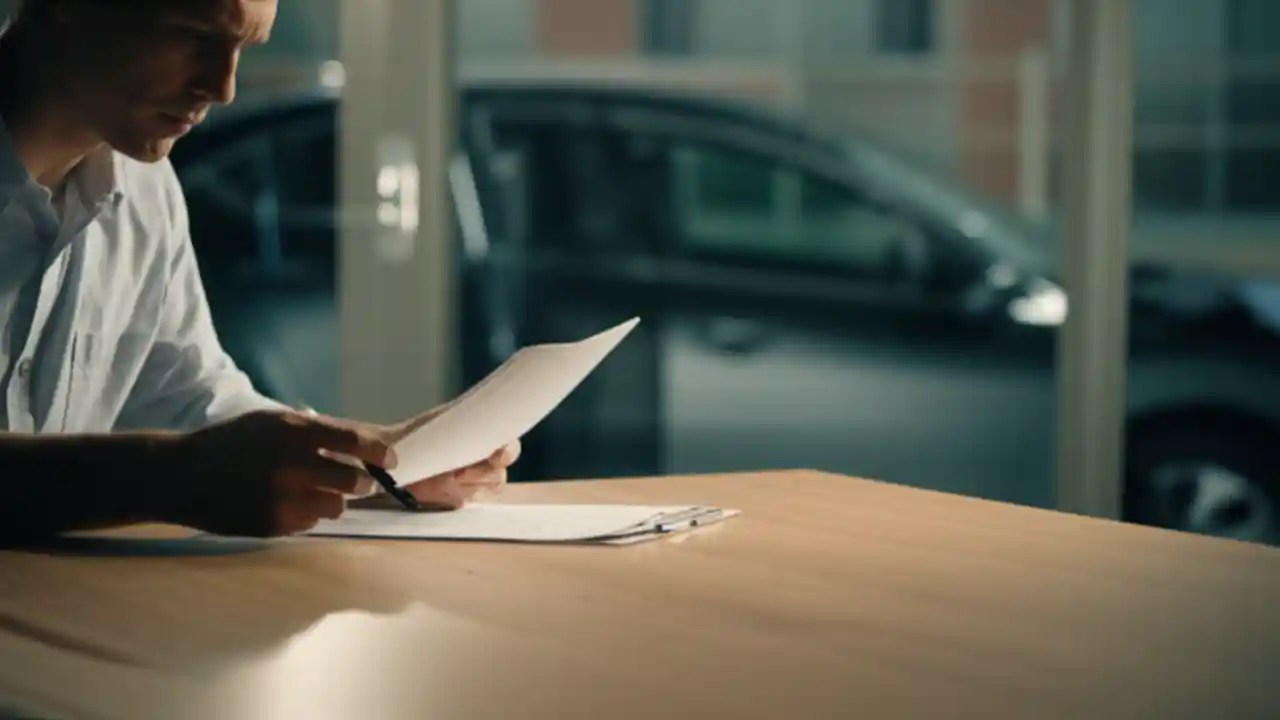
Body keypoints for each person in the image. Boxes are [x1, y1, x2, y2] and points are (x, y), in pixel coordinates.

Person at [0, 0, 519, 541]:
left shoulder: (143, 191)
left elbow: (191, 399)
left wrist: (378, 460)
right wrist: (163, 478)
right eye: (190, 35)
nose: (223, 87)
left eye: (242, 49)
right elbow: (188, 462)